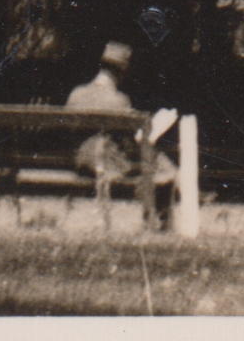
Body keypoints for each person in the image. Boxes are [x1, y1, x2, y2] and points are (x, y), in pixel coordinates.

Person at [67, 43, 171, 227]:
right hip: (108, 163)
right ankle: (160, 221)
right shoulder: (119, 100)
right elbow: (130, 140)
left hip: (82, 159)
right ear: (121, 72)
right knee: (163, 165)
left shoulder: (76, 94)